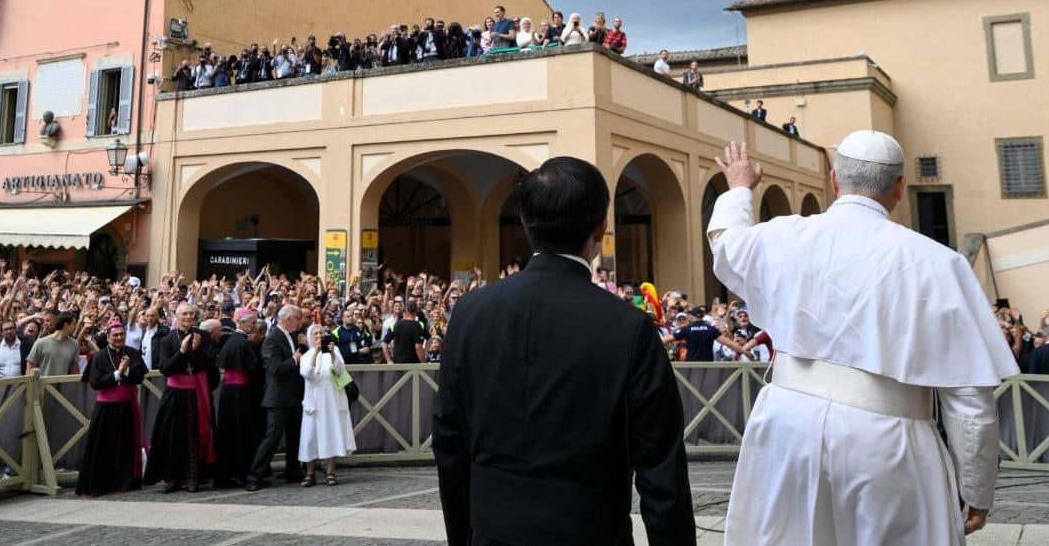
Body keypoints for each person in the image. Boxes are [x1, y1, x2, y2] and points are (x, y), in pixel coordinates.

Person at [707, 134, 1019, 543]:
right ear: (900, 188)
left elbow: (726, 243)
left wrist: (740, 189)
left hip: (786, 428)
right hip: (887, 442)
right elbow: (968, 399)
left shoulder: (782, 236)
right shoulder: (939, 263)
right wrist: (976, 486)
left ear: (834, 181)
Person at [433, 157, 695, 545]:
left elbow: (449, 444)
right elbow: (661, 470)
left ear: (524, 223)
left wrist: (464, 537)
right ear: (601, 228)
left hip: (491, 533)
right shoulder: (628, 326)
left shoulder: (470, 313)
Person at [145, 304, 217, 492]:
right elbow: (165, 368)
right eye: (184, 313)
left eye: (191, 313)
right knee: (172, 435)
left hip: (198, 393)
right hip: (175, 394)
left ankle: (193, 477)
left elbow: (211, 363)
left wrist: (198, 349)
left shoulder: (204, 336)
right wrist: (182, 352)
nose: (188, 316)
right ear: (177, 316)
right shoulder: (167, 339)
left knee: (196, 435)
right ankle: (172, 478)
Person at [76, 321, 148, 496]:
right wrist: (117, 373)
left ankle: (125, 482)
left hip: (127, 406)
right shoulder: (99, 357)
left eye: (121, 334)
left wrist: (127, 371)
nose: (119, 338)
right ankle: (102, 483)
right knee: (102, 446)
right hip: (105, 408)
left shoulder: (132, 353)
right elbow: (95, 383)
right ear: (108, 337)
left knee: (126, 444)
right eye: (115, 335)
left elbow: (140, 376)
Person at [245, 304, 306, 491]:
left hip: (294, 395)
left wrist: (303, 346)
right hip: (278, 397)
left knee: (295, 436)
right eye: (298, 318)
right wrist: (295, 359)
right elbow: (276, 368)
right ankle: (254, 476)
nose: (300, 322)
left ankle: (293, 471)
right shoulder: (272, 338)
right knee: (272, 437)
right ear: (289, 319)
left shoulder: (294, 336)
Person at [297, 324, 356, 486]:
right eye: (315, 333)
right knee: (310, 436)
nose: (319, 336)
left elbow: (339, 370)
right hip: (314, 400)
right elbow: (307, 374)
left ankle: (330, 472)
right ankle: (310, 473)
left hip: (332, 398)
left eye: (321, 333)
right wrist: (316, 352)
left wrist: (331, 354)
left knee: (331, 433)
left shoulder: (334, 352)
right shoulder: (306, 355)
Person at [215, 310, 266, 486]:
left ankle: (228, 472)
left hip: (228, 391)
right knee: (242, 433)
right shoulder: (244, 342)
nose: (254, 326)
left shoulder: (232, 340)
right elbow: (255, 369)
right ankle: (243, 473)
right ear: (243, 323)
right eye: (252, 323)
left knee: (229, 432)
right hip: (241, 393)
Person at [26, 312, 80, 376]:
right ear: (66, 325)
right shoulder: (40, 343)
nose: (75, 327)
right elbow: (30, 365)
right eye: (73, 324)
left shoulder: (74, 344)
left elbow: (74, 368)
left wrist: (76, 384)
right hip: (42, 385)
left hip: (64, 385)